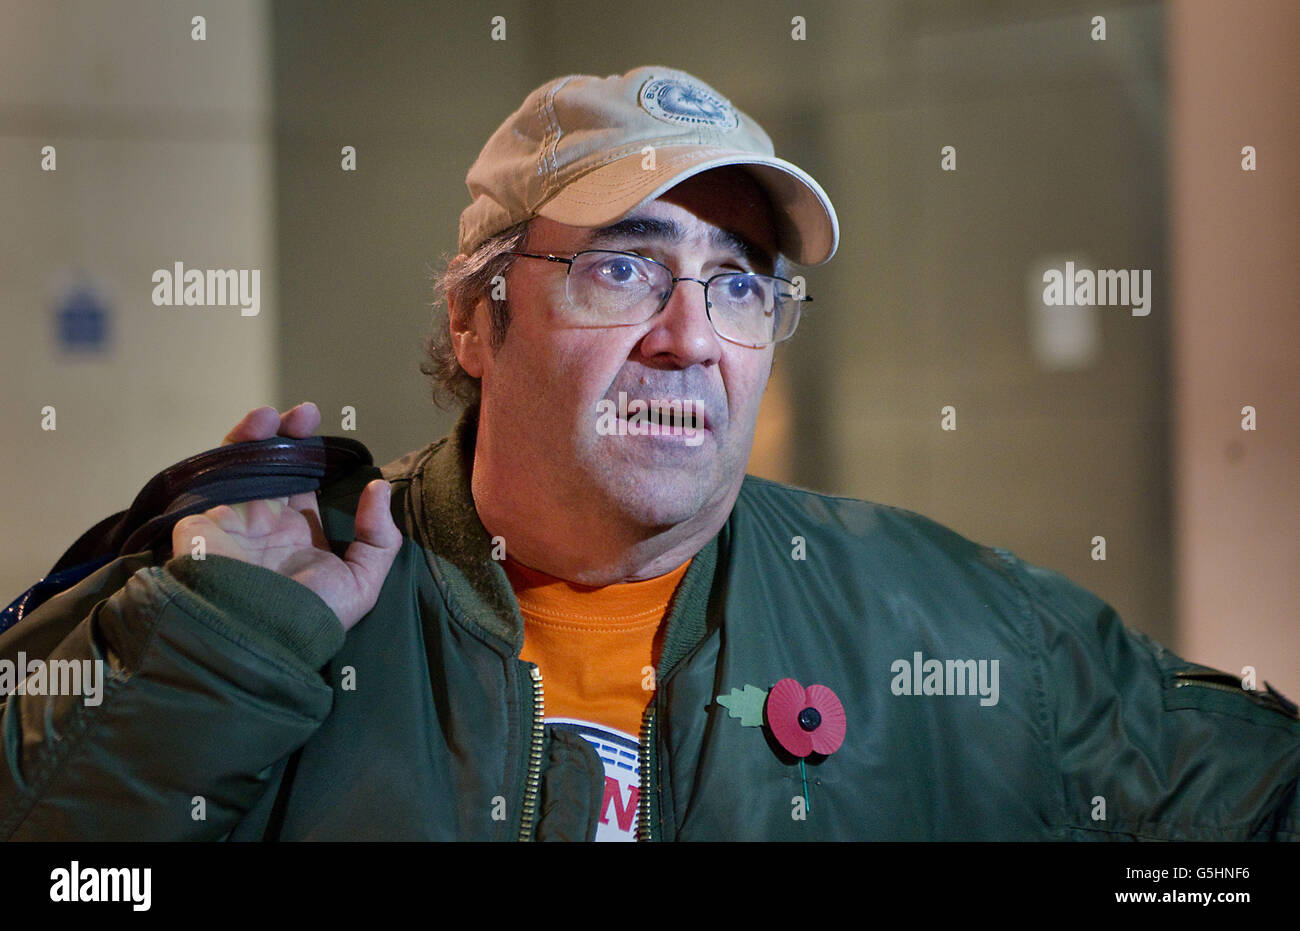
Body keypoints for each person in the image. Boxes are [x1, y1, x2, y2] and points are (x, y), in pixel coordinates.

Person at [2, 66, 1297, 842]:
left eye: (739, 286)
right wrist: (216, 665)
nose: (692, 338)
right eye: (627, 267)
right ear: (474, 316)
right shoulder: (280, 617)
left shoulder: (955, 628)